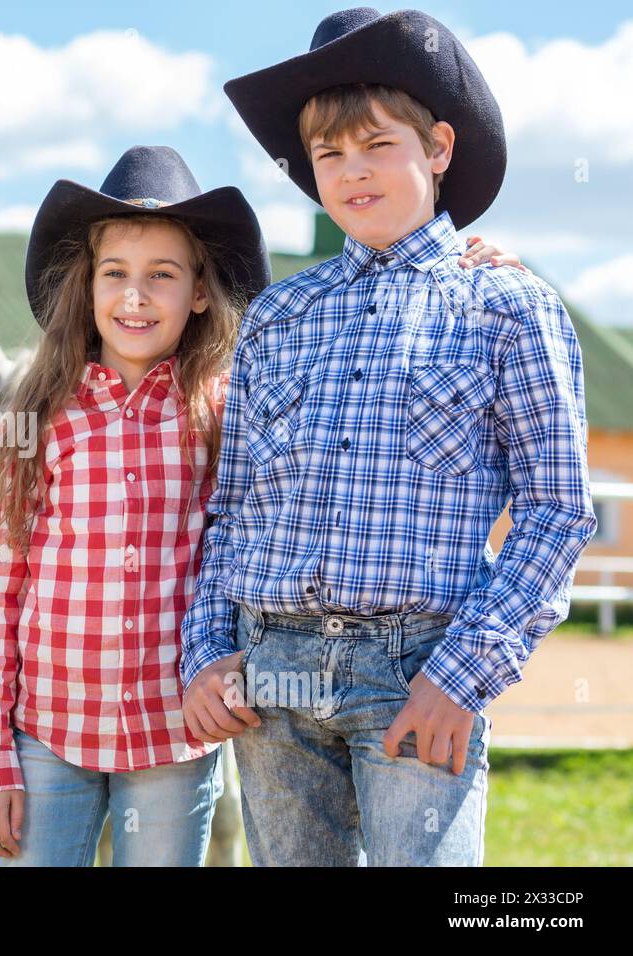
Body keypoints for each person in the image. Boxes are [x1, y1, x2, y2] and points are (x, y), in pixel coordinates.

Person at [182, 7, 596, 866]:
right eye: (329, 155)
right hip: (272, 671)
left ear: (438, 148)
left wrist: (463, 675)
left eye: (376, 145)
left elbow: (557, 511)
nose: (351, 172)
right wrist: (207, 651)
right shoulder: (278, 316)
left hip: (420, 667)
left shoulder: (508, 308)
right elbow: (234, 511)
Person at [0, 145, 272, 866]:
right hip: (48, 735)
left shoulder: (226, 417)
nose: (136, 295)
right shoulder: (33, 422)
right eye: (116, 274)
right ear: (87, 286)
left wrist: (457, 269)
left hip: (172, 738)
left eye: (163, 275)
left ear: (198, 291)